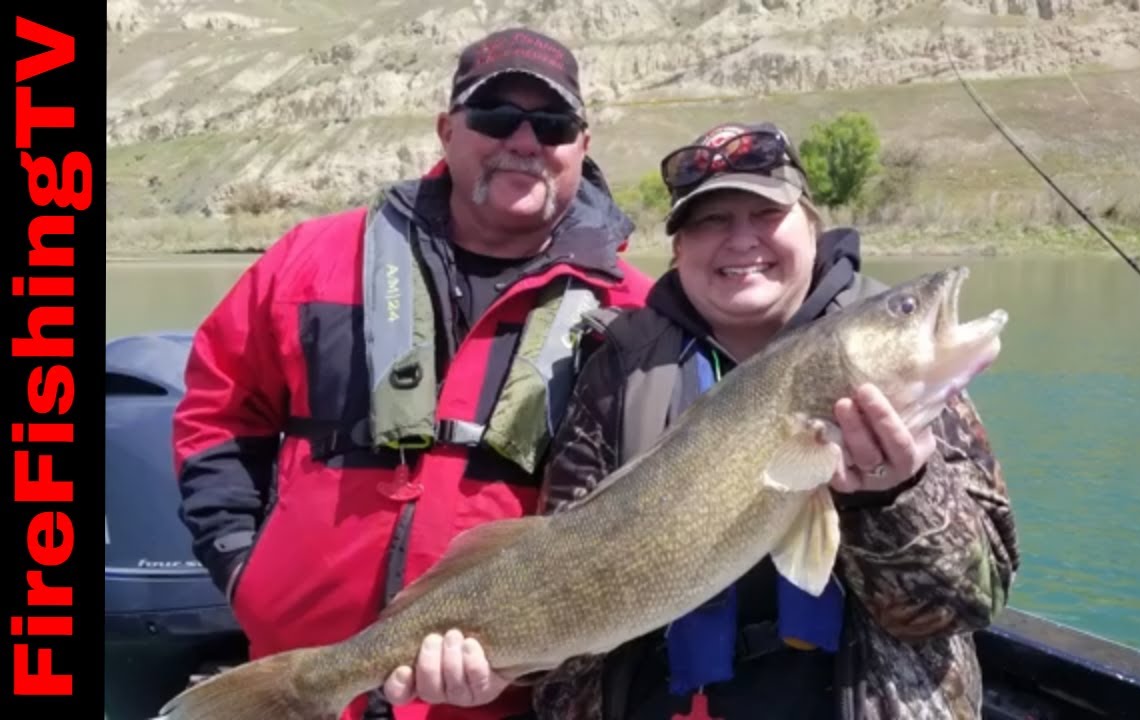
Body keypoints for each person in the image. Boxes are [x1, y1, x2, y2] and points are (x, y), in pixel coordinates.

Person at [382, 121, 1020, 719]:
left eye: (767, 213)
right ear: (679, 246)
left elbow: (966, 603)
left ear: (812, 225)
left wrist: (894, 494)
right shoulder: (618, 371)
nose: (741, 239)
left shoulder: (905, 389)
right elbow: (568, 579)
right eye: (710, 221)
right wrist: (504, 666)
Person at [171, 27, 654, 720]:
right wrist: (241, 569)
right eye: (494, 117)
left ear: (581, 145)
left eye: (552, 124)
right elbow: (216, 413)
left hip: (493, 699)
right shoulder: (310, 259)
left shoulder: (633, 313)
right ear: (446, 130)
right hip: (295, 678)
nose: (524, 140)